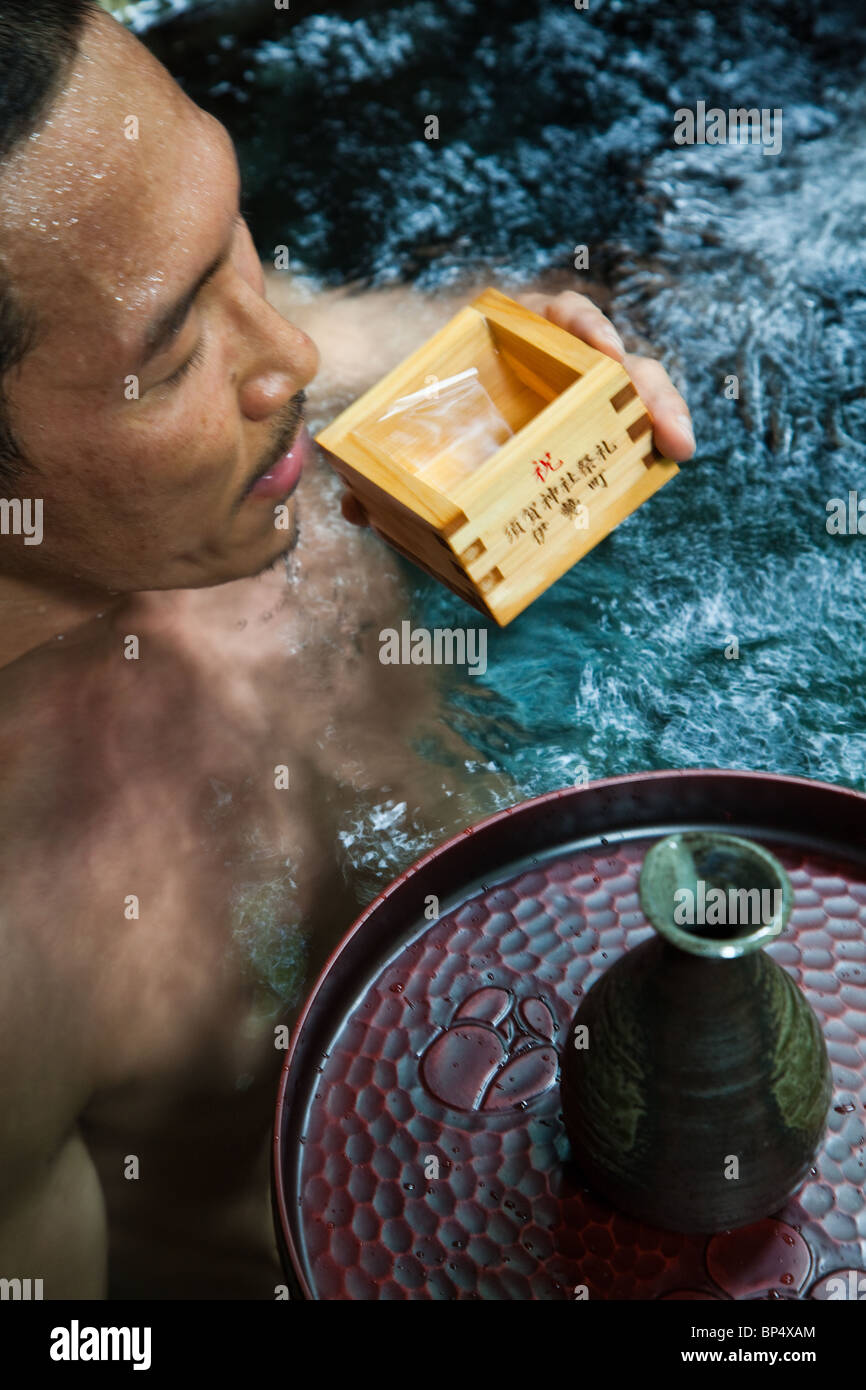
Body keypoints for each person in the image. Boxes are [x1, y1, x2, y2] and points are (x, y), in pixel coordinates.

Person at [0, 0, 695, 1299]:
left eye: (234, 244)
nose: (296, 353)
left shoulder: (272, 416)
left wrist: (583, 354)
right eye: (179, 349)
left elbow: (578, 323)